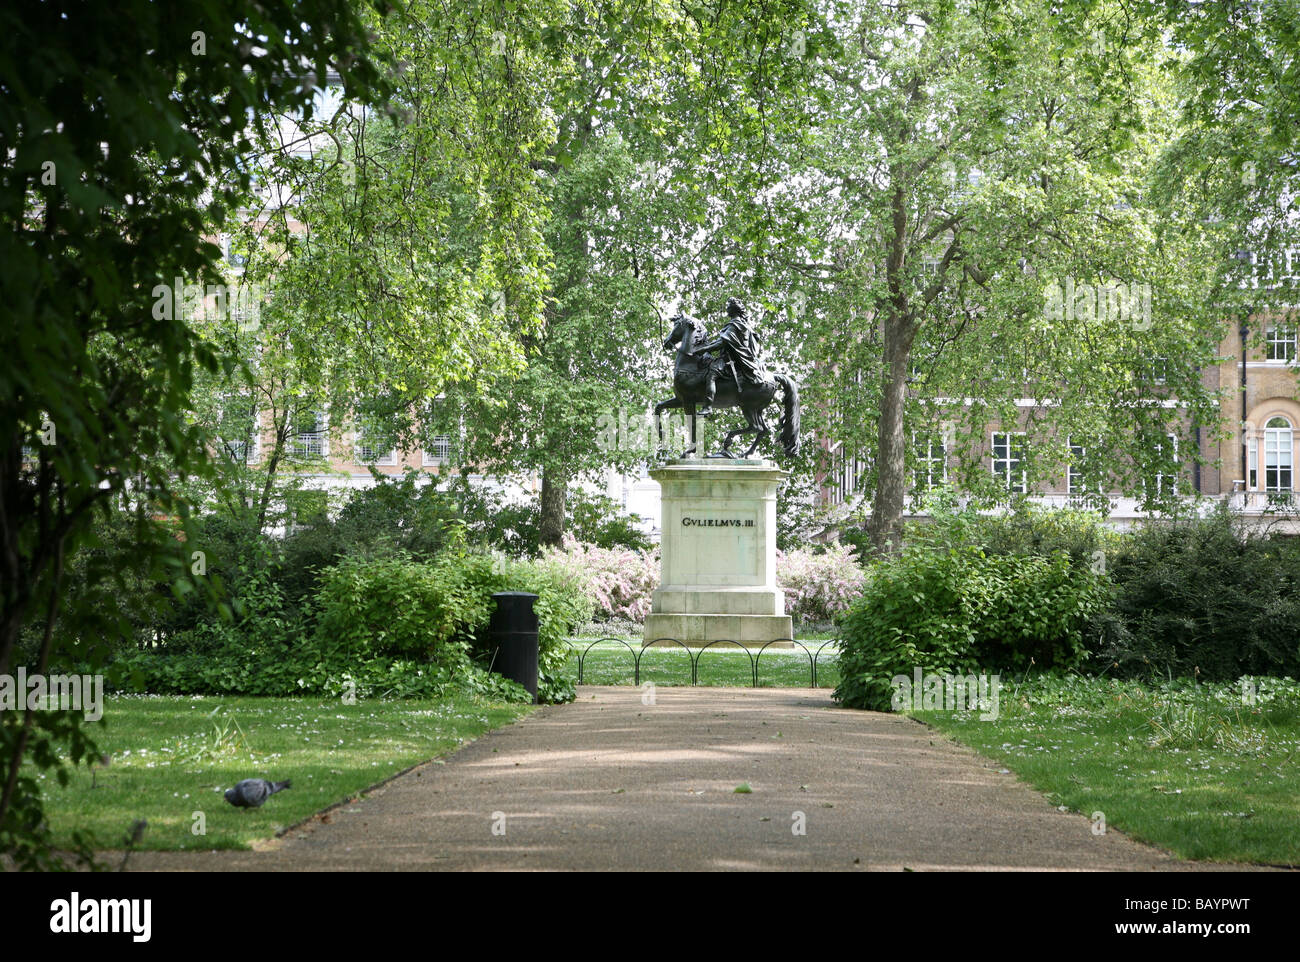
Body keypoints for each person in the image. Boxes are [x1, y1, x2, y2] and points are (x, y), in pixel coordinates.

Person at [690, 298, 771, 415]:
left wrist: (703, 349)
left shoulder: (735, 324)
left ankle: (707, 407)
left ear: (734, 309)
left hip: (731, 359)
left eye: (729, 306)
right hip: (736, 358)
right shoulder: (742, 324)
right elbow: (722, 341)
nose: (727, 308)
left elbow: (722, 343)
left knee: (711, 374)